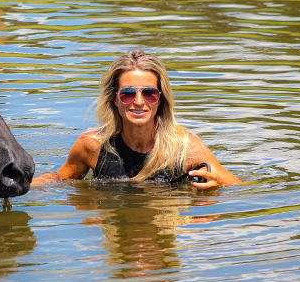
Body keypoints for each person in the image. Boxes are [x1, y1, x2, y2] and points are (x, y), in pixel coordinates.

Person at [32, 50, 242, 190]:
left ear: (160, 99)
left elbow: (238, 187)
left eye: (149, 93)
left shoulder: (185, 147)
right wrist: (21, 184)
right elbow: (60, 179)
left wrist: (216, 188)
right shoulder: (92, 146)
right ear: (115, 99)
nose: (139, 102)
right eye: (128, 94)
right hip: (115, 227)